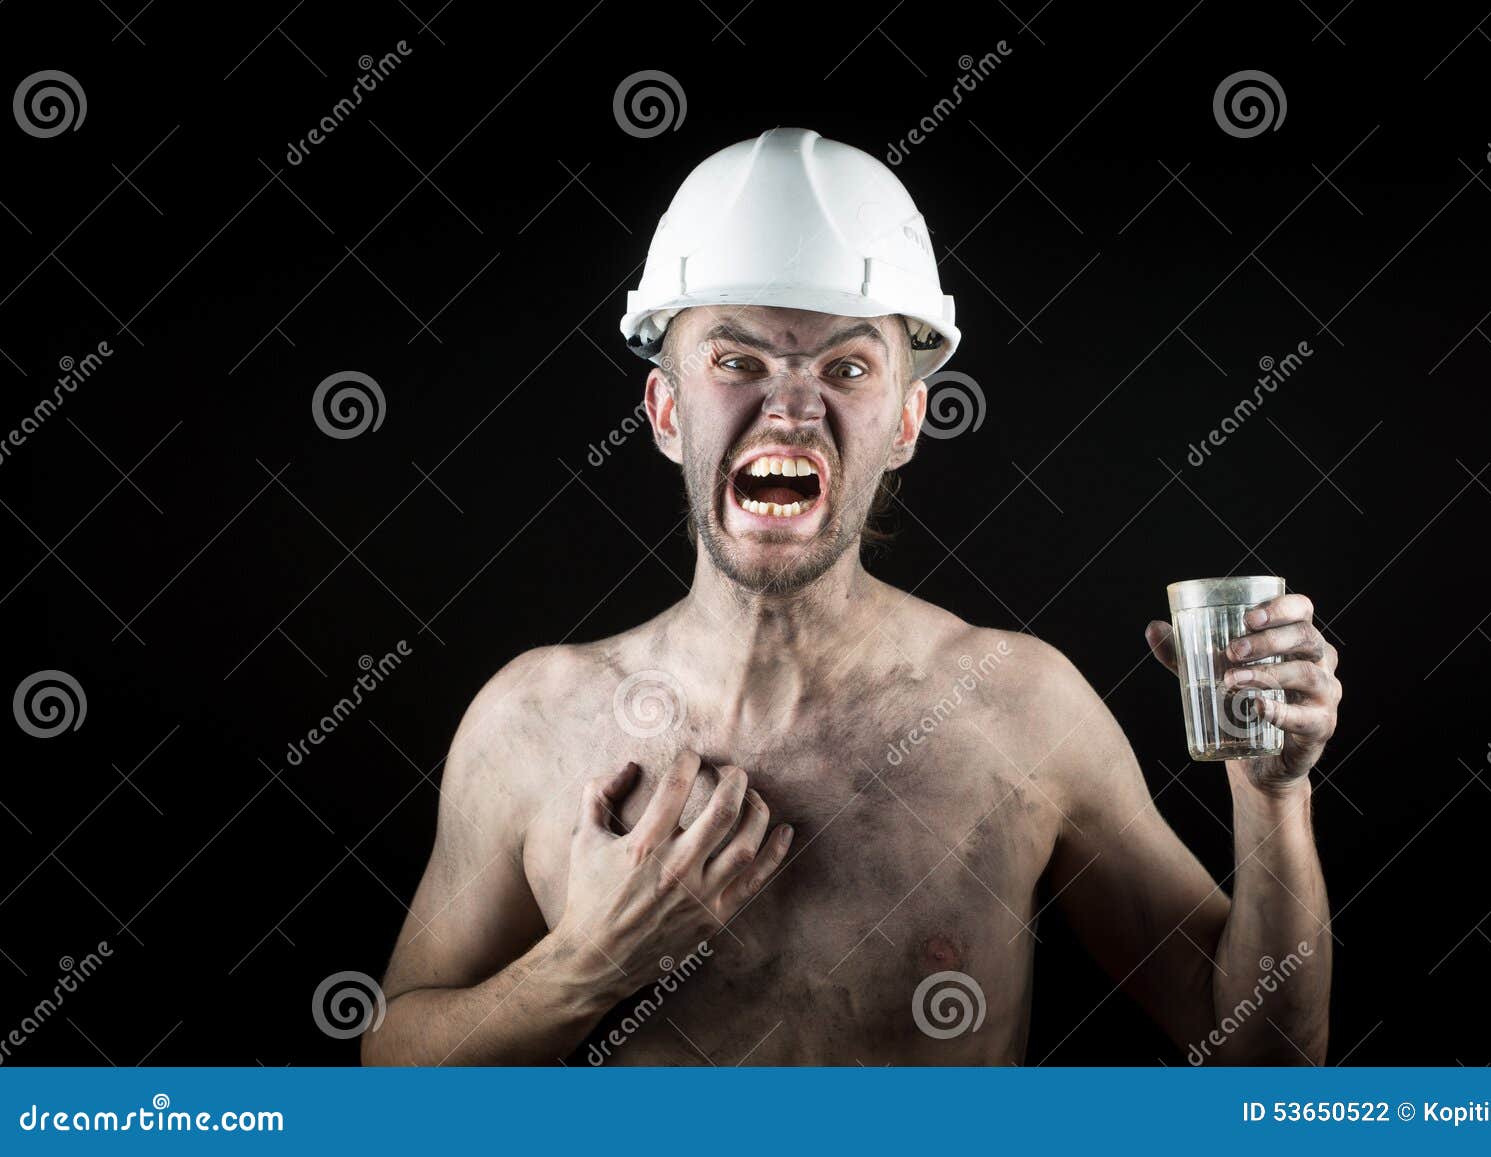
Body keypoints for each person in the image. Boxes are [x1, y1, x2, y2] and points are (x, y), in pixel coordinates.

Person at [362, 127, 1338, 1066]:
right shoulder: (531, 721)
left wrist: (1272, 796)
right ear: (665, 410)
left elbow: (1262, 1060)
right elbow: (388, 1077)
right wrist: (586, 967)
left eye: (847, 367)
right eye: (737, 361)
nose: (790, 407)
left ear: (908, 419)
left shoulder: (1019, 706)